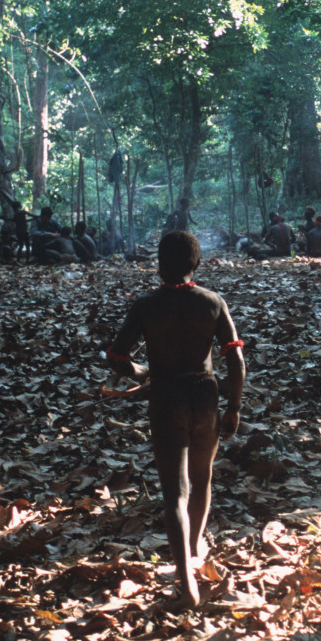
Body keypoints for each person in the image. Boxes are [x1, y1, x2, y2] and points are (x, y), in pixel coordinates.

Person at [103, 231, 246, 609]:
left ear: (159, 264)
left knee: (175, 493)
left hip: (167, 397)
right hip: (205, 394)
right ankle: (195, 551)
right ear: (196, 263)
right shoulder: (213, 302)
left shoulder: (146, 306)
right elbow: (235, 357)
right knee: (202, 478)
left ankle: (186, 582)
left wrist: (142, 372)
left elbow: (117, 358)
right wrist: (234, 407)